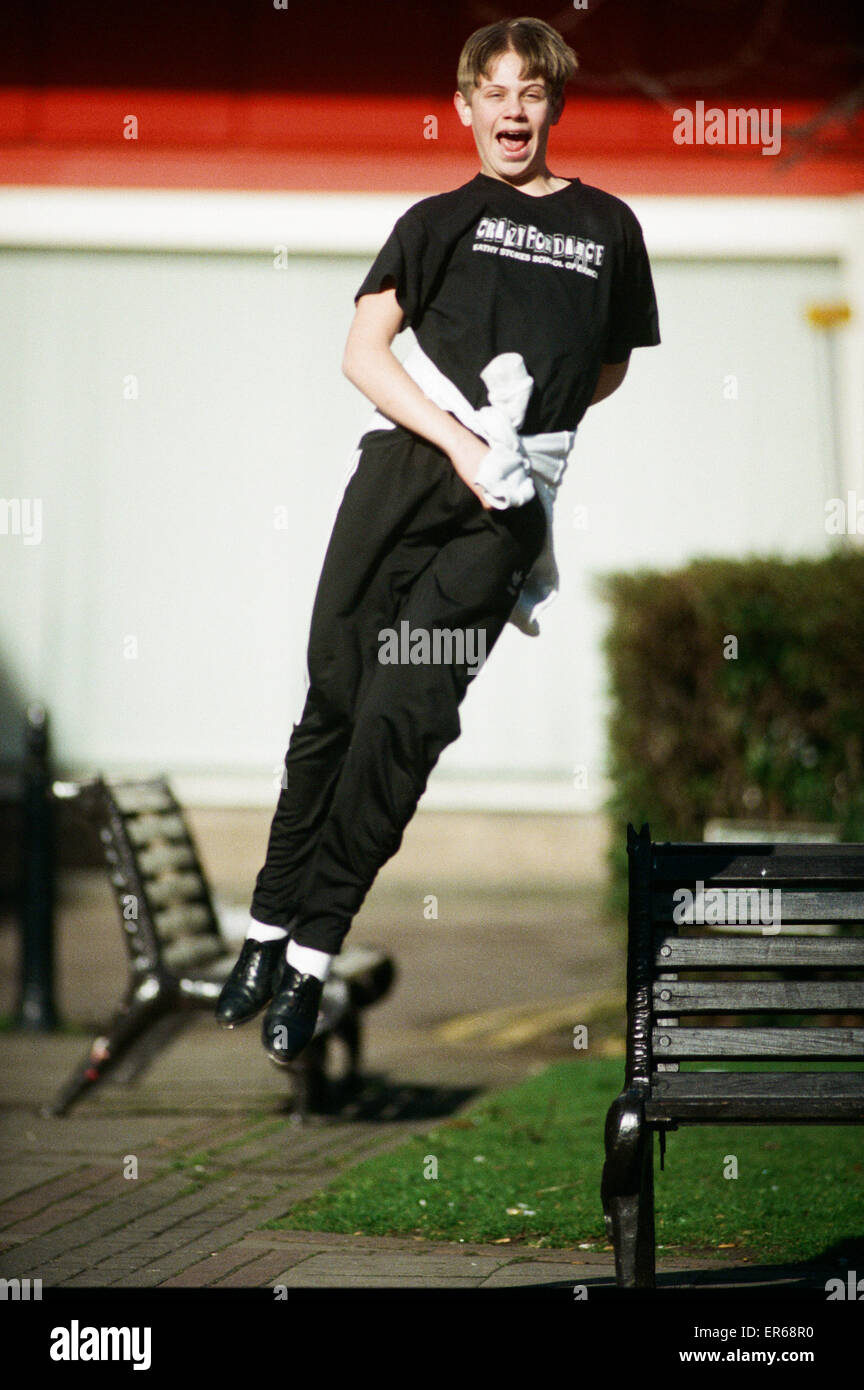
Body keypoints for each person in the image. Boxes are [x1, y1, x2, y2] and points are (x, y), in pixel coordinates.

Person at [215, 16, 660, 1065]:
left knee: (402, 718)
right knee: (335, 698)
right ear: (464, 106)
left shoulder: (608, 227)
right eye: (494, 91)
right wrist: (463, 439)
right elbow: (365, 354)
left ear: (555, 105)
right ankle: (264, 929)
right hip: (406, 478)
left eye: (532, 92)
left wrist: (527, 444)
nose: (514, 109)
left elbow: (608, 366)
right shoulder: (436, 219)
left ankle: (313, 955)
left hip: (502, 511)